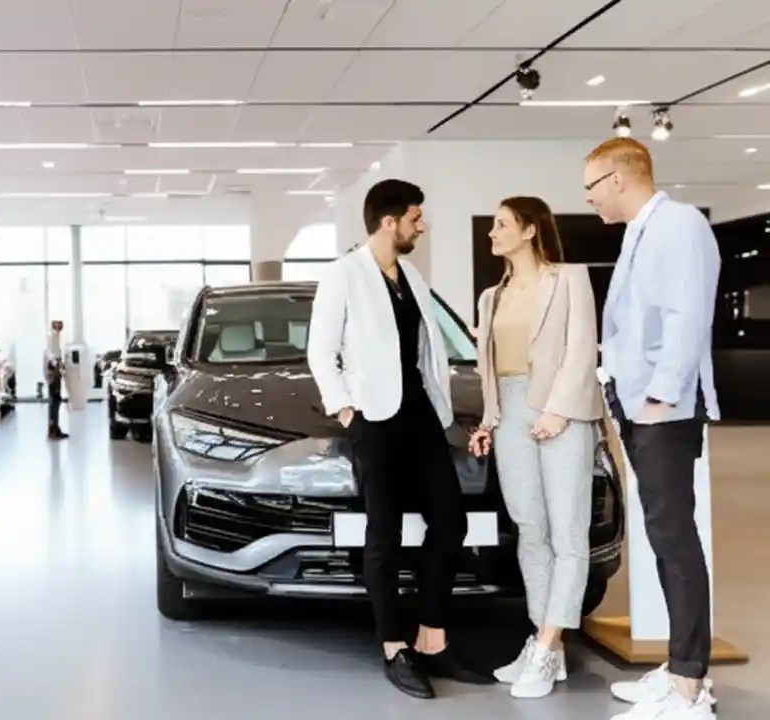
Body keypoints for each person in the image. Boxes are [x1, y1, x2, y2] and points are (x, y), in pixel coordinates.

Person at [307, 178, 492, 699]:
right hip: (375, 420)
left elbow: (427, 351)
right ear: (389, 222)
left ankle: (432, 637)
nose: (422, 226)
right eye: (415, 217)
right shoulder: (343, 274)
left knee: (450, 520)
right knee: (383, 534)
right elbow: (321, 351)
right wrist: (347, 411)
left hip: (422, 417)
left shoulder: (410, 273)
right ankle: (393, 645)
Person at [583, 137, 720, 720]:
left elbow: (690, 312)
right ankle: (679, 667)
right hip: (639, 403)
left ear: (617, 177)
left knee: (674, 540)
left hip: (663, 407)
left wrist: (664, 392)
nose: (589, 199)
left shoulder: (680, 224)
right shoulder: (642, 230)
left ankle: (690, 686)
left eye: (590, 187)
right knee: (663, 538)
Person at [467, 196, 603, 699]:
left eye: (502, 224)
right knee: (530, 530)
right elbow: (491, 368)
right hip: (511, 412)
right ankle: (545, 640)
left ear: (529, 230)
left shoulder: (569, 279)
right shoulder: (491, 296)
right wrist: (489, 420)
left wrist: (558, 410)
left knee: (568, 533)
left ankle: (547, 647)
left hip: (561, 410)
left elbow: (581, 348)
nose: (492, 233)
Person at [44, 319, 69, 440]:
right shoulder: (52, 337)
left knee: (56, 400)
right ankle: (53, 429)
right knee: (54, 400)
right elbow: (50, 354)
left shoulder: (56, 337)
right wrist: (56, 364)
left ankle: (55, 428)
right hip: (53, 373)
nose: (59, 326)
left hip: (55, 371)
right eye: (57, 324)